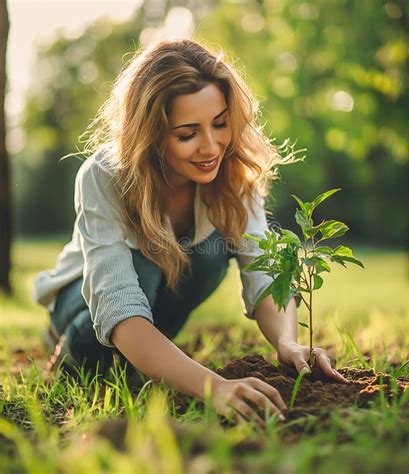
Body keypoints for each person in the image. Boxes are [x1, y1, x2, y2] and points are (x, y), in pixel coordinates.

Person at [33, 39, 349, 426]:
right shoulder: (105, 175)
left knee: (211, 251)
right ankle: (69, 345)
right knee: (141, 272)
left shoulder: (233, 173)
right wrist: (214, 386)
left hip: (156, 305)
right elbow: (117, 306)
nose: (211, 146)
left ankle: (152, 354)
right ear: (150, 135)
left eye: (220, 123)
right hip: (86, 299)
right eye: (187, 134)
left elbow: (263, 273)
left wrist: (287, 340)